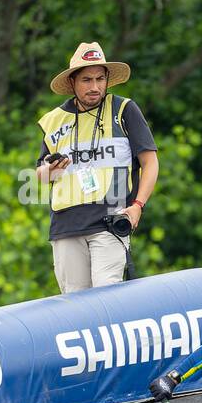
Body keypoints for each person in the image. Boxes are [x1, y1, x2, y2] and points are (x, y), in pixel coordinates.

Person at [36, 41, 159, 293]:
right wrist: (51, 170)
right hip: (66, 226)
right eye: (87, 80)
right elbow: (40, 174)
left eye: (100, 79)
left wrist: (138, 206)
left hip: (111, 220)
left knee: (107, 296)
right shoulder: (54, 120)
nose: (95, 87)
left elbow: (150, 162)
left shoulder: (124, 109)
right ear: (72, 82)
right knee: (75, 304)